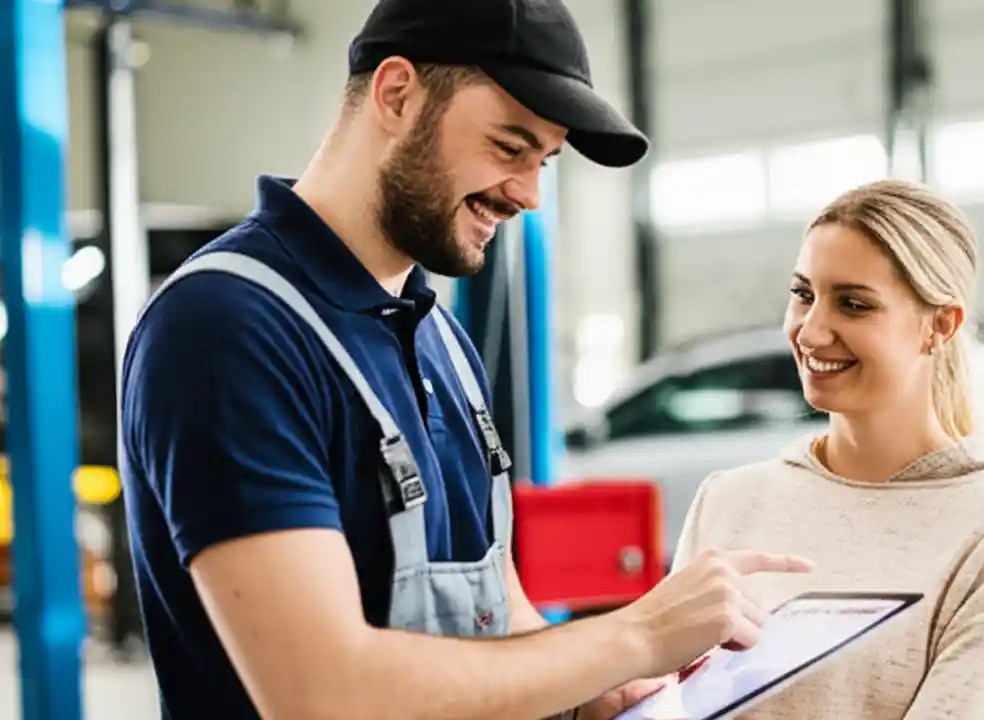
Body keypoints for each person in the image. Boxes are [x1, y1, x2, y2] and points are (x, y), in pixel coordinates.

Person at [119, 0, 813, 718]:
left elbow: (493, 621)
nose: (528, 194)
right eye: (510, 147)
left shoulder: (440, 339)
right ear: (396, 94)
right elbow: (321, 693)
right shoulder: (229, 326)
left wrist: (591, 694)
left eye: (545, 161)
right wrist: (636, 635)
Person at [671, 180, 984, 719]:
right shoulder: (727, 501)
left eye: (854, 305)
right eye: (803, 294)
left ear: (939, 325)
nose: (812, 332)